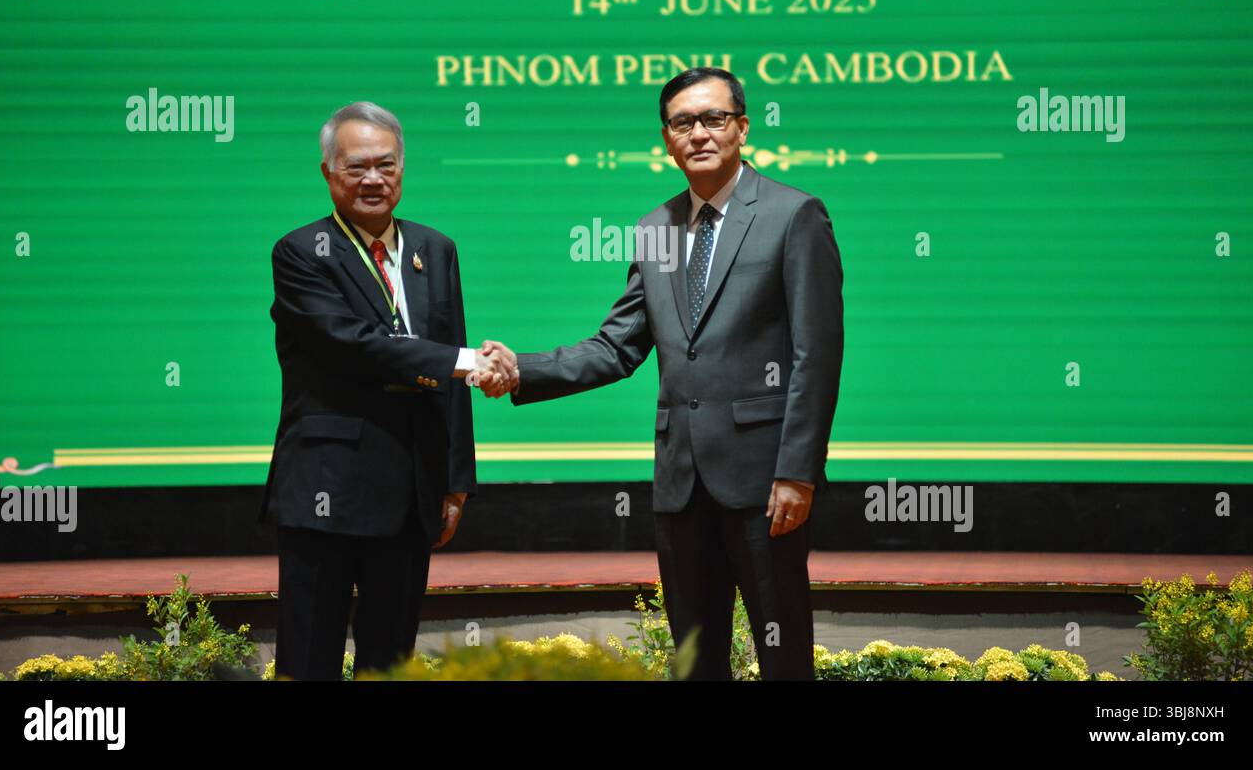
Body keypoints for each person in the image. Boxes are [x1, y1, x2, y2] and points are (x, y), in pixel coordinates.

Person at [483, 67, 843, 680]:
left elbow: (817, 353)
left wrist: (797, 472)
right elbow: (616, 347)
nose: (699, 133)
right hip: (681, 482)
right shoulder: (655, 229)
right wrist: (524, 370)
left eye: (714, 119)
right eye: (683, 123)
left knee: (784, 659)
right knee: (694, 660)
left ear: (743, 127)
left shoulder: (794, 215)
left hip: (765, 485)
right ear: (667, 138)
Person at [259, 101, 516, 680]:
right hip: (327, 490)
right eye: (356, 167)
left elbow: (451, 375)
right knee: (308, 658)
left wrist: (455, 481)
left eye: (387, 165)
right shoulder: (302, 252)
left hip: (410, 491)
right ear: (328, 171)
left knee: (391, 659)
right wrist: (471, 362)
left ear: (403, 168)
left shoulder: (437, 249)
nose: (373, 179)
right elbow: (357, 344)